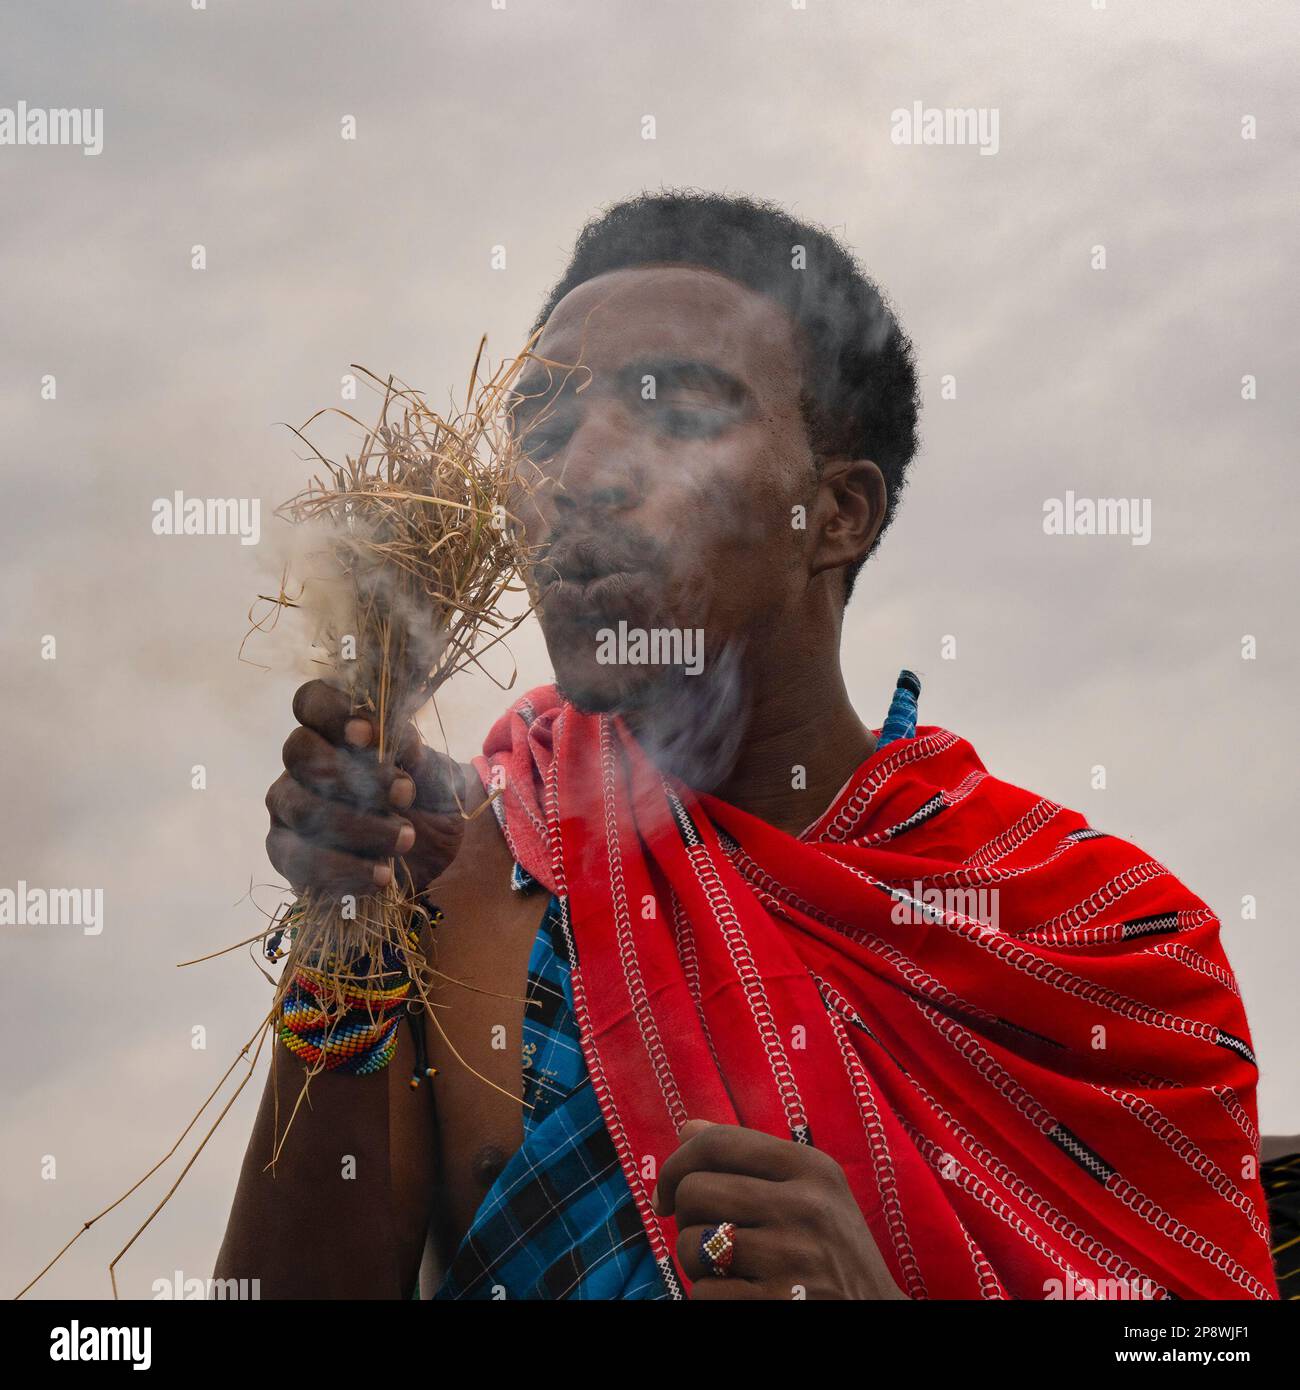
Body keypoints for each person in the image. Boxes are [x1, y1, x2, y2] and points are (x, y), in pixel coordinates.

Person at [216, 191, 1277, 1300]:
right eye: (542, 431)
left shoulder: (1108, 944)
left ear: (837, 515)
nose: (576, 478)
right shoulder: (470, 870)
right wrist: (344, 922)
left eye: (674, 414)